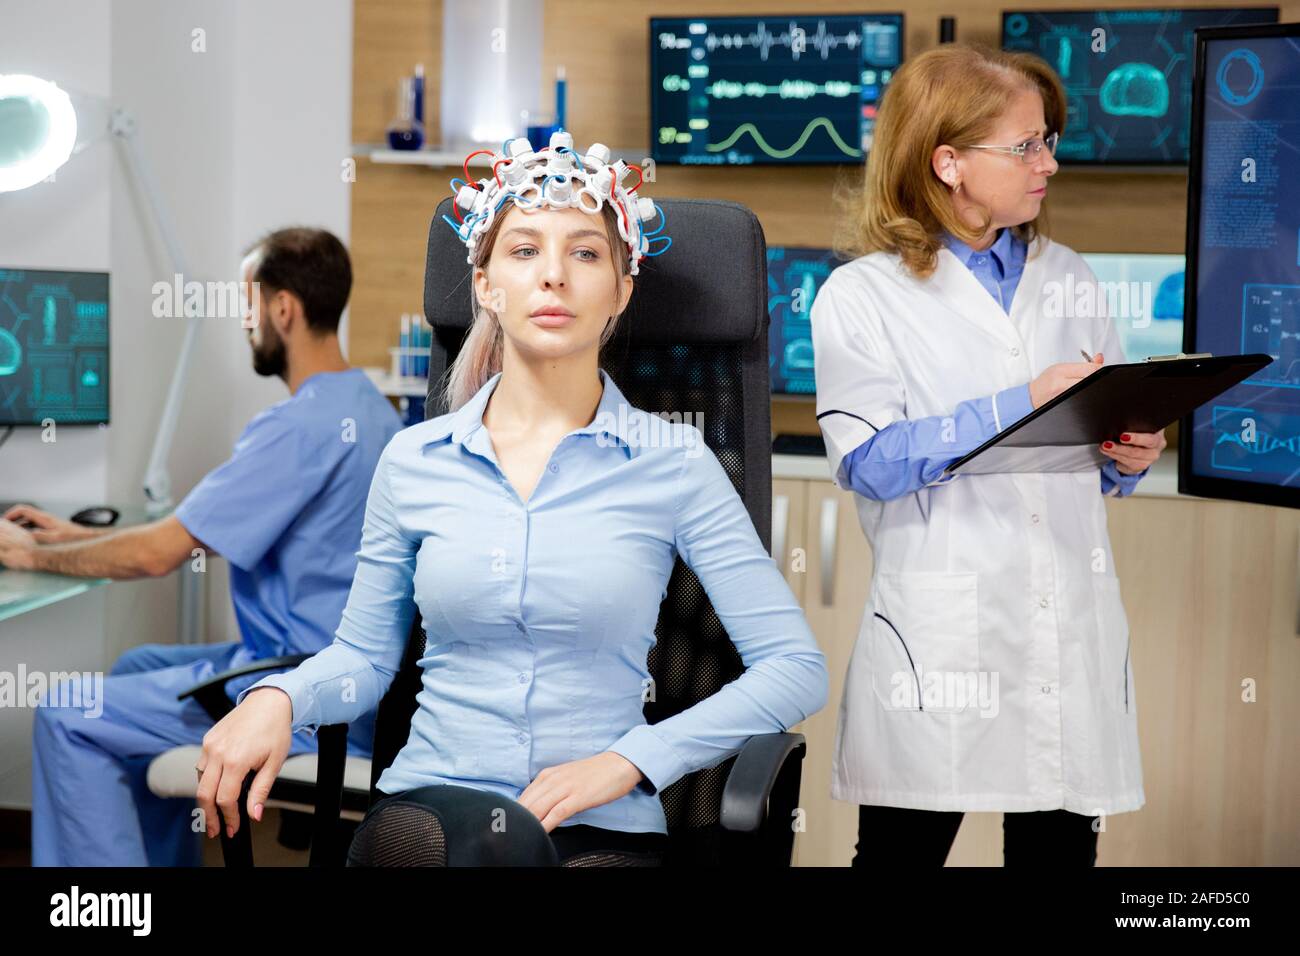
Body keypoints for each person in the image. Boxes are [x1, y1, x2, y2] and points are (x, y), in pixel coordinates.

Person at [195, 133, 830, 866]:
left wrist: (631, 761)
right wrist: (279, 697)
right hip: (432, 809)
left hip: (599, 823)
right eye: (524, 250)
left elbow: (794, 667)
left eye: (585, 253)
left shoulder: (675, 464)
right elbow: (365, 658)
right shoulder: (415, 461)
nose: (553, 275)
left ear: (620, 291)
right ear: (486, 285)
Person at [810, 45, 1166, 866]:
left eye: (1048, 141)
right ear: (949, 163)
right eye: (1026, 146)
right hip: (940, 635)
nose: (1049, 164)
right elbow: (868, 461)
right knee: (899, 859)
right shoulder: (862, 295)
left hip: (1065, 616)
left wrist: (1128, 455)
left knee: (1058, 857)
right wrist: (1020, 401)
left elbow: (1098, 453)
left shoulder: (1070, 276)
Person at [0, 227, 403, 866]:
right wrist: (81, 537)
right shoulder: (371, 409)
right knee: (137, 664)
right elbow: (202, 531)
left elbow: (158, 554)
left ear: (282, 309)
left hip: (302, 689)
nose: (245, 323)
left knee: (65, 711)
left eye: (249, 304)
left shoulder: (297, 427)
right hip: (345, 681)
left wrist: (30, 556)